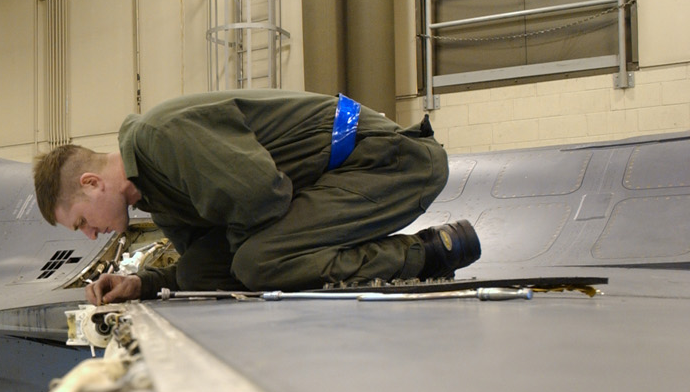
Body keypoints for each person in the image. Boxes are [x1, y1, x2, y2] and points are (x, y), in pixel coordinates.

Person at [33, 89, 480, 304]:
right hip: (343, 179)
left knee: (257, 260)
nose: (91, 235)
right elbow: (207, 266)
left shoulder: (160, 138)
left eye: (80, 222)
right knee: (214, 265)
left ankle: (427, 254)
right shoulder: (154, 193)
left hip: (388, 163)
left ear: (92, 183)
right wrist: (143, 283)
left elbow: (263, 195)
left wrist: (254, 263)